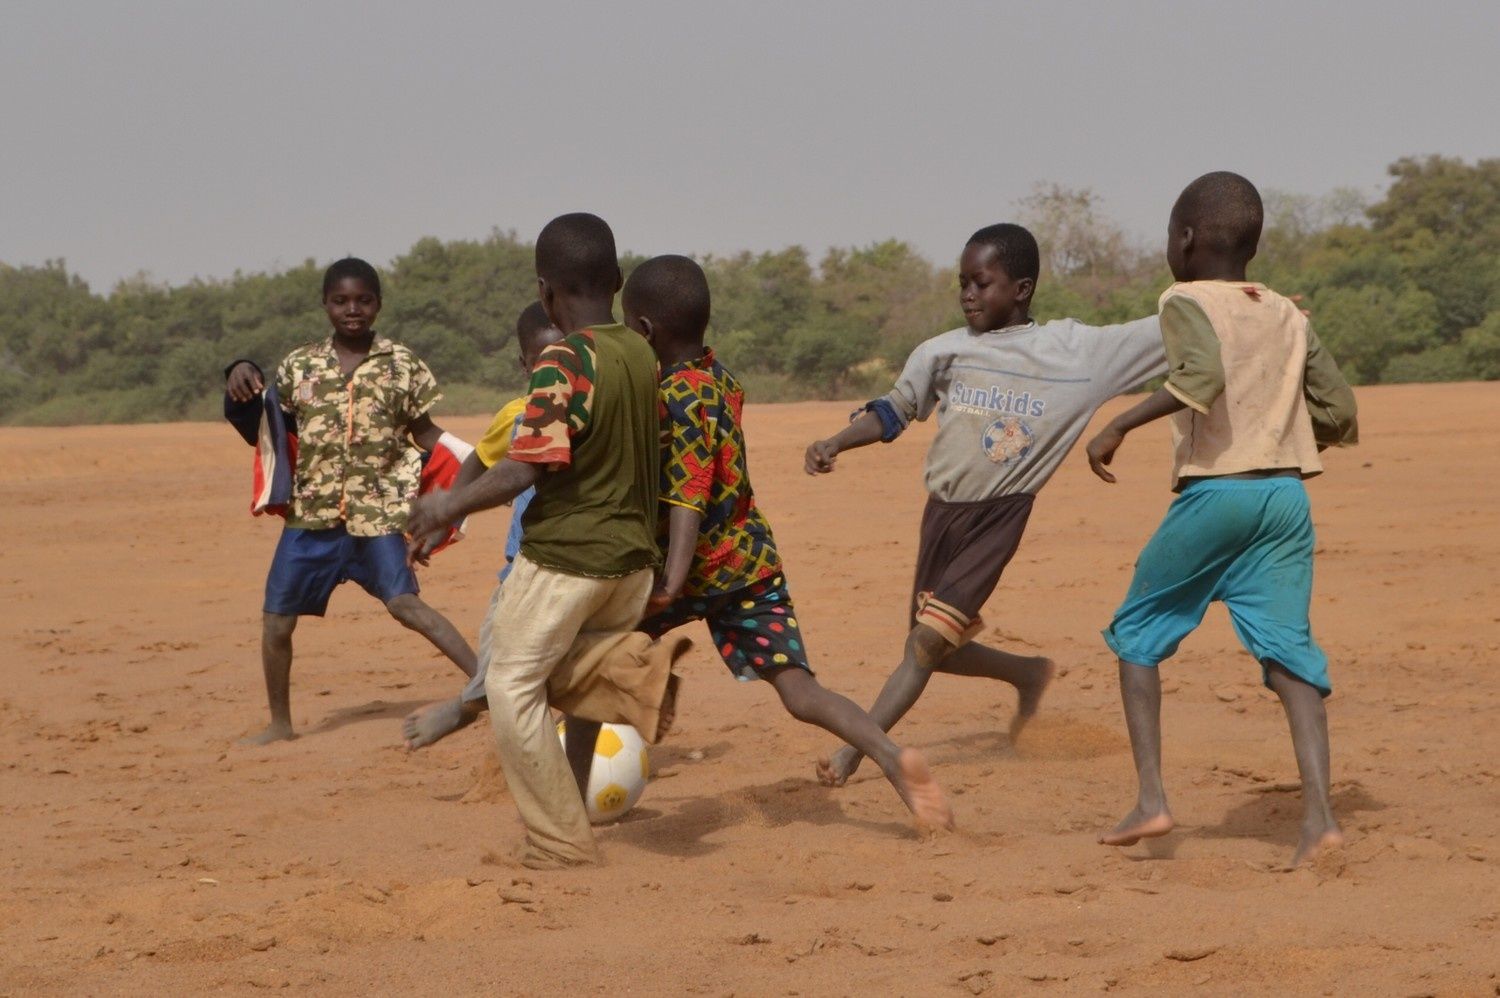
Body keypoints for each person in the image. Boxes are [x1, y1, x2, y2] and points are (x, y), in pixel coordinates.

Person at [804, 224, 1167, 786]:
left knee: (925, 645)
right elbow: (893, 411)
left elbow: (1168, 330)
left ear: (1021, 288)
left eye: (982, 283)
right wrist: (837, 441)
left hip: (997, 518)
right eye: (962, 283)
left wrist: (1244, 311)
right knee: (932, 646)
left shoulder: (1075, 352)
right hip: (941, 515)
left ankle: (859, 751)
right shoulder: (942, 351)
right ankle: (1027, 673)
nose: (967, 295)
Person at [610, 255, 953, 831]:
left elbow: (689, 494)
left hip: (689, 567)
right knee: (799, 690)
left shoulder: (674, 396)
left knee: (604, 647)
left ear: (644, 331)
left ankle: (589, 768)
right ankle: (891, 756)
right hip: (750, 563)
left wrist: (670, 581)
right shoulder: (722, 378)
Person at [1083, 171, 1358, 867]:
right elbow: (1339, 411)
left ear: (1184, 239)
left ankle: (1151, 799)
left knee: (1137, 634)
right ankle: (1320, 821)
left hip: (1219, 495)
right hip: (1286, 499)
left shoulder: (1183, 299)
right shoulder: (1288, 314)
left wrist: (1119, 423)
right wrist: (1280, 441)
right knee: (1290, 656)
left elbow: (1198, 378)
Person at [406, 214, 681, 869]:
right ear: (615, 281)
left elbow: (527, 464)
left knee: (509, 687)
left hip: (567, 559)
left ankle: (559, 841)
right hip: (630, 564)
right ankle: (629, 673)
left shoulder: (565, 358)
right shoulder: (640, 354)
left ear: (546, 291)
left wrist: (449, 501)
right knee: (556, 668)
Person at [223, 257, 478, 745]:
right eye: (341, 301)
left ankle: (486, 685)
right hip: (311, 517)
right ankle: (280, 724)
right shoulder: (299, 366)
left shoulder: (402, 365)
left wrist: (472, 463)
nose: (352, 309)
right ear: (325, 305)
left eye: (363, 300)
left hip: (377, 516)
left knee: (407, 606)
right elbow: (271, 427)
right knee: (276, 622)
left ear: (378, 303)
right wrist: (238, 371)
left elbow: (425, 434)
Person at [401, 303, 565, 749]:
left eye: (563, 357)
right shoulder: (515, 415)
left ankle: (473, 708)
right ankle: (471, 704)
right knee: (501, 649)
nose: (553, 370)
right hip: (524, 563)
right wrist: (446, 517)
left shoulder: (592, 406)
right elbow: (479, 462)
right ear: (523, 364)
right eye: (541, 362)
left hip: (577, 558)